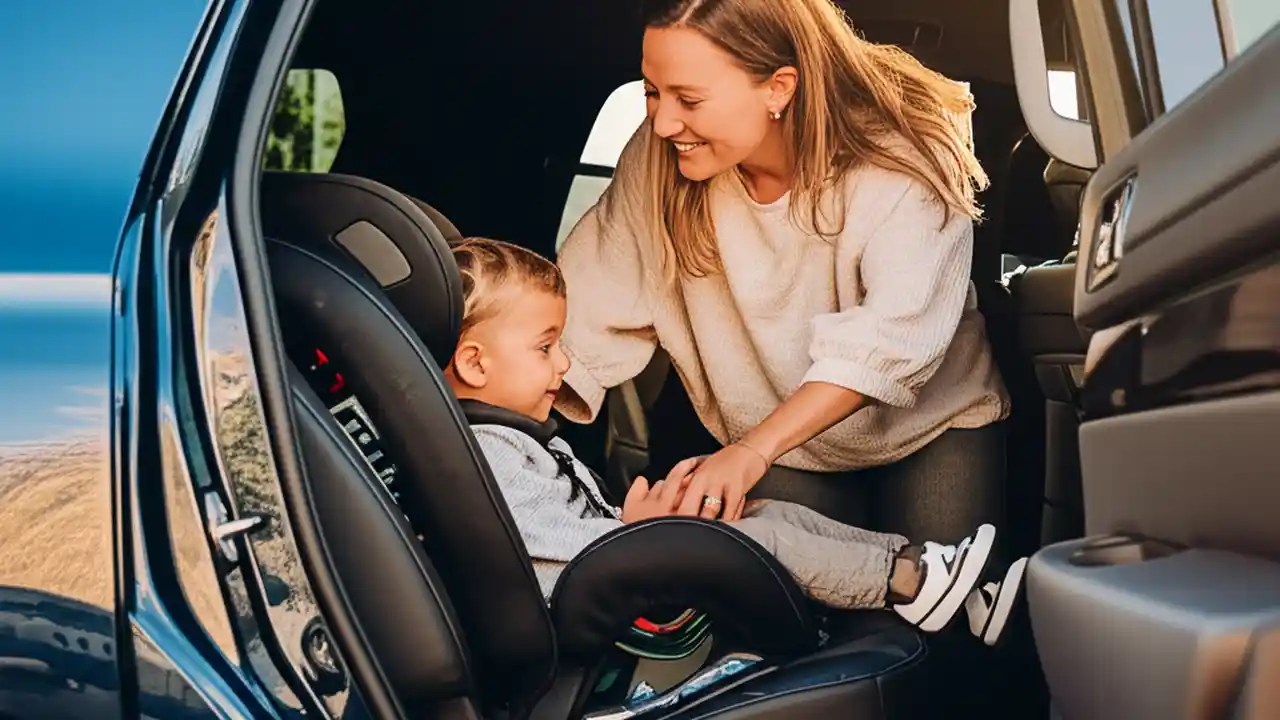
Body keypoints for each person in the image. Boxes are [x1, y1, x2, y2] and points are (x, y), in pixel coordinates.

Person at [553, 0, 1011, 550]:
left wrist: (750, 453)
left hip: (931, 431)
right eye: (651, 92)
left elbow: (892, 340)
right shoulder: (655, 163)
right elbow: (583, 306)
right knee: (790, 622)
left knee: (947, 616)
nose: (663, 122)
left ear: (779, 88)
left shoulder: (905, 155)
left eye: (689, 100)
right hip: (777, 446)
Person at [443, 237, 1026, 644]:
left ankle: (920, 568)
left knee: (764, 510)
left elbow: (557, 531)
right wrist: (632, 531)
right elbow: (553, 554)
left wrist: (636, 522)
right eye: (545, 348)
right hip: (607, 608)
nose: (564, 362)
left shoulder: (510, 439)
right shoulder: (489, 453)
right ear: (474, 363)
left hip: (613, 574)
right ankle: (905, 582)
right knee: (756, 535)